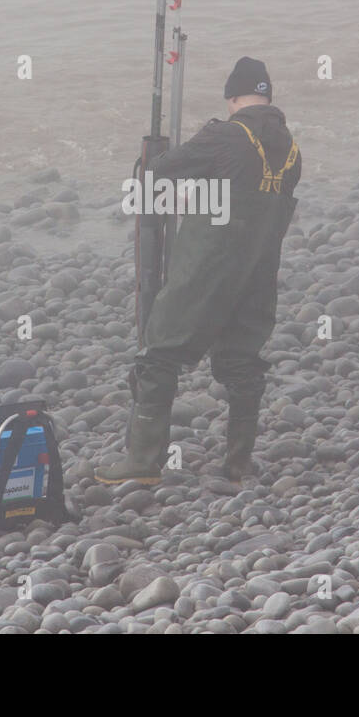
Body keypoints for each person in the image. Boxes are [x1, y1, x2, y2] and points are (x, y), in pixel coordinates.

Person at [95, 56, 301, 486]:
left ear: (232, 97)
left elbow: (158, 171)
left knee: (159, 352)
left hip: (209, 267)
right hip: (259, 270)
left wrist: (191, 191)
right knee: (242, 362)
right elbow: (248, 190)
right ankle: (239, 462)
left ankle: (144, 461)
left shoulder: (225, 134)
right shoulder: (291, 150)